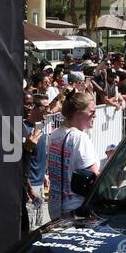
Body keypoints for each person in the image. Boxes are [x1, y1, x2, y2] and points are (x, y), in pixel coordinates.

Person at [46, 90, 99, 220]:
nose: (95, 115)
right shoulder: (80, 138)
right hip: (77, 209)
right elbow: (93, 176)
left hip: (55, 207)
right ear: (78, 113)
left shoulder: (55, 134)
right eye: (92, 112)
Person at [21, 93, 49, 232]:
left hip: (40, 185)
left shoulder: (40, 127)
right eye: (45, 107)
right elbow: (22, 161)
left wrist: (44, 175)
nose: (48, 110)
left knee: (40, 228)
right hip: (30, 188)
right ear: (35, 108)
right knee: (30, 230)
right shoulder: (22, 129)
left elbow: (39, 155)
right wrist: (29, 187)